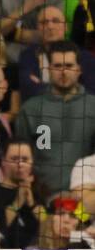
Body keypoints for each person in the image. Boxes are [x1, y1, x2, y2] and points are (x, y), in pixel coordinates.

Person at [15, 41, 95, 199]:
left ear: (79, 69)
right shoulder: (31, 109)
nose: (63, 72)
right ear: (48, 69)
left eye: (69, 65)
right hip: (41, 201)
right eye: (58, 66)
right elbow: (21, 159)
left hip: (86, 201)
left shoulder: (93, 106)